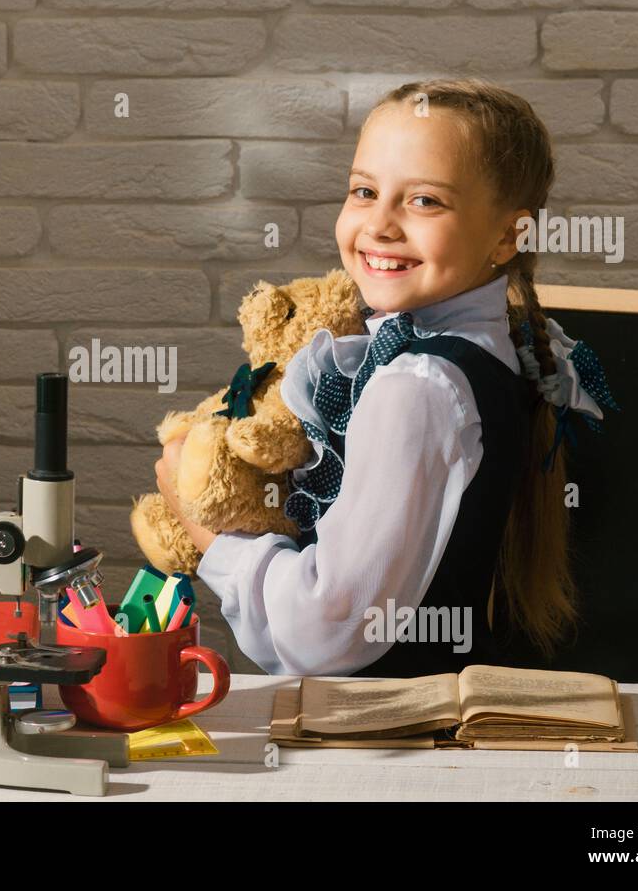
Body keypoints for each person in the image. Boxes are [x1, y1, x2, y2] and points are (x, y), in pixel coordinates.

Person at [155, 78, 614, 677]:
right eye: (364, 191)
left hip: (381, 741)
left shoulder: (417, 386)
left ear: (509, 235)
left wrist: (209, 532)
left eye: (425, 201)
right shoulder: (490, 347)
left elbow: (327, 631)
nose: (380, 225)